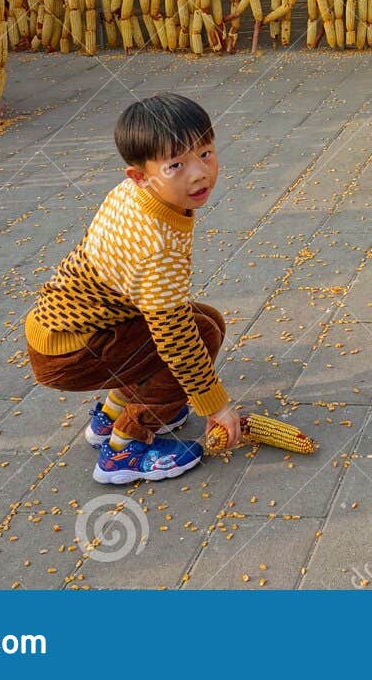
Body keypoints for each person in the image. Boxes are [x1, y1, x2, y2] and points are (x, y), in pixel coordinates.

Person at [24, 94, 239, 484]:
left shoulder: (134, 193)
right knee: (199, 335)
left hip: (72, 328)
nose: (198, 174)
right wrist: (216, 407)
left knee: (205, 319)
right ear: (139, 175)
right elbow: (176, 342)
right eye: (176, 165)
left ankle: (112, 415)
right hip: (71, 350)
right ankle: (124, 448)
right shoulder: (156, 247)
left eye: (205, 153)